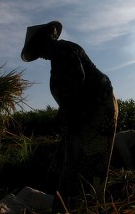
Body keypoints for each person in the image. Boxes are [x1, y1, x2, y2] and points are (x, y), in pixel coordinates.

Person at [21, 21, 118, 212]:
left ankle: (88, 205)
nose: (39, 55)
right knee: (72, 158)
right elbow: (70, 91)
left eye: (37, 49)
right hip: (85, 113)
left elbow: (75, 84)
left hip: (97, 113)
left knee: (90, 159)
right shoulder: (59, 55)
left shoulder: (63, 51)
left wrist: (65, 112)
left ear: (45, 40)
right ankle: (74, 203)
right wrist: (64, 114)